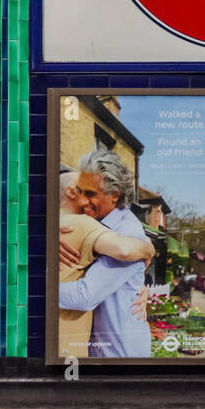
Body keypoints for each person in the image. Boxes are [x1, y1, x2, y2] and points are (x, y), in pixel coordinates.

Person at [57, 149, 154, 358]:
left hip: (120, 355)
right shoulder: (95, 222)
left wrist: (35, 289)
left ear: (114, 196)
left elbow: (84, 296)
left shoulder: (127, 232)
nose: (83, 200)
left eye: (91, 194)